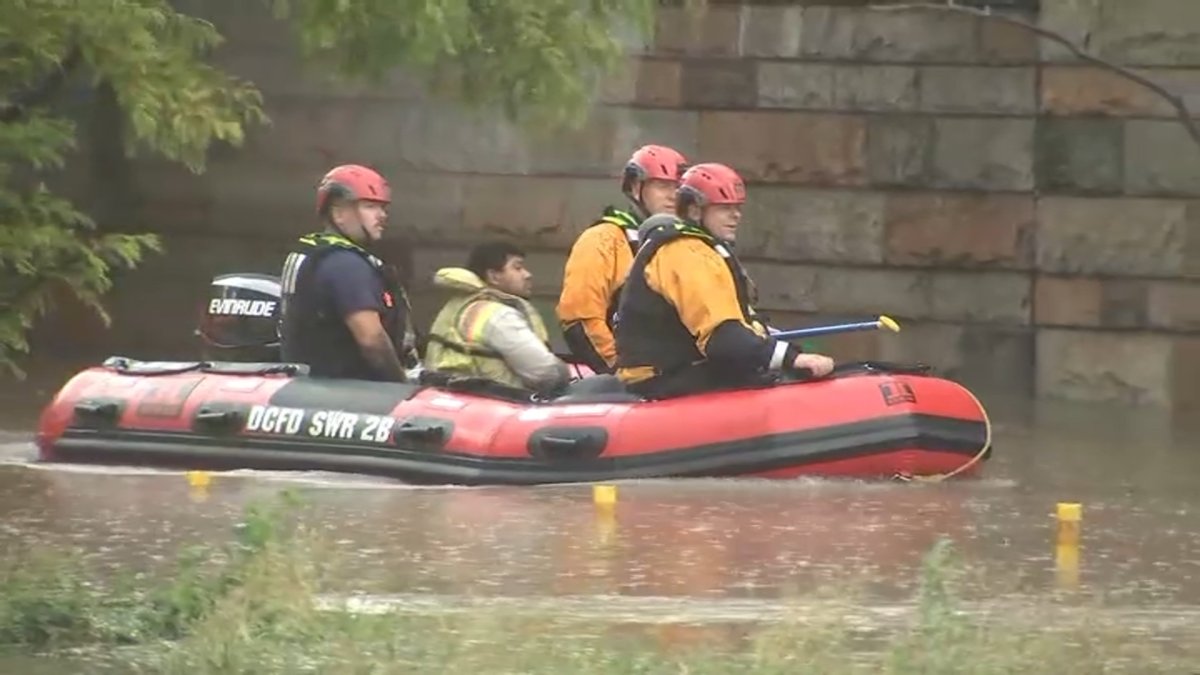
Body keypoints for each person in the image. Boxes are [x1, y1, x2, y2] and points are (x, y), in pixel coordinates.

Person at [614, 162, 836, 398]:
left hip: (682, 370)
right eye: (723, 208)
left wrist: (766, 340)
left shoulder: (703, 250)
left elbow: (734, 325)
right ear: (694, 210)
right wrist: (792, 357)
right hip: (660, 381)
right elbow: (722, 337)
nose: (735, 215)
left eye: (737, 207)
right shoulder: (684, 251)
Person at [556, 144, 689, 374]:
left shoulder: (687, 245)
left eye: (678, 188)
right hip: (633, 376)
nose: (672, 196)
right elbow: (580, 319)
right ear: (636, 188)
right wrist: (622, 371)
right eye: (662, 186)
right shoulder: (604, 239)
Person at [278, 164, 417, 382]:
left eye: (383, 208)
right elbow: (371, 340)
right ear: (339, 213)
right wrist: (401, 386)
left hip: (306, 388)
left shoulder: (312, 253)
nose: (382, 216)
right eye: (370, 206)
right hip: (345, 395)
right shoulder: (345, 264)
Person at [425, 241, 571, 393]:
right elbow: (546, 373)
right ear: (494, 277)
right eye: (518, 267)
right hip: (504, 404)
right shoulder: (498, 315)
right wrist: (564, 373)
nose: (527, 275)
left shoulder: (456, 307)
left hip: (455, 399)